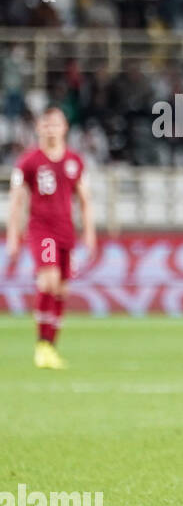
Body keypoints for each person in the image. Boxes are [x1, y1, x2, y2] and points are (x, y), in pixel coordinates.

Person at [6, 107, 95, 369]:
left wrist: (89, 233)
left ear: (65, 127)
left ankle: (51, 346)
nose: (50, 129)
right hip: (41, 230)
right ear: (38, 128)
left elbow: (85, 199)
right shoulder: (29, 161)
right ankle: (42, 345)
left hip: (66, 231)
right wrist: (13, 235)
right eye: (46, 125)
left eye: (55, 124)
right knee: (48, 280)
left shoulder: (74, 161)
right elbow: (17, 201)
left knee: (62, 289)